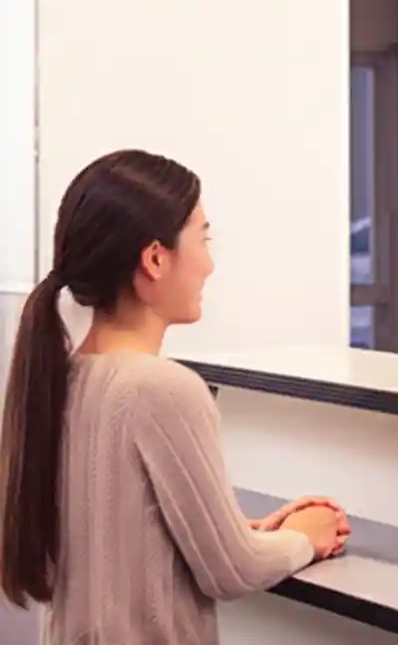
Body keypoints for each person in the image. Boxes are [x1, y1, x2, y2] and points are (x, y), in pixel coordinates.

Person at [0, 150, 352, 643]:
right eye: (203, 238)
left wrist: (243, 529)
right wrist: (305, 538)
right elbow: (233, 571)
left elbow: (129, 539)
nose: (208, 264)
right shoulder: (162, 389)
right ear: (156, 258)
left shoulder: (65, 376)